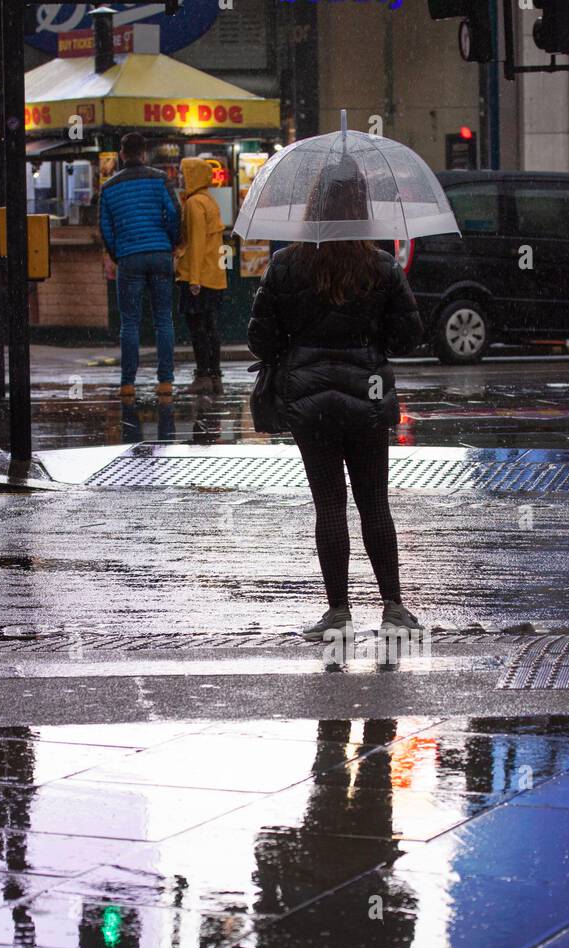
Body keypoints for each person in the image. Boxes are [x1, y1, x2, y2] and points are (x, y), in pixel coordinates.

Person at [247, 159, 424, 641]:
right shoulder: (381, 266)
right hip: (366, 399)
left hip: (309, 402)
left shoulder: (286, 265)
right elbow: (408, 336)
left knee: (329, 505)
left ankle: (338, 611)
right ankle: (392, 605)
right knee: (374, 504)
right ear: (362, 209)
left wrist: (294, 343)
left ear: (313, 209)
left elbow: (260, 340)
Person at [99, 132, 181, 400]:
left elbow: (105, 228)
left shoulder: (109, 187)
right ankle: (165, 381)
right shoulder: (160, 180)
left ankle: (128, 383)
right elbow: (173, 212)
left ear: (122, 154)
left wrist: (117, 252)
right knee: (163, 319)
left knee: (130, 323)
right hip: (159, 254)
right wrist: (168, 241)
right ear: (144, 153)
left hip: (129, 257)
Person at [175, 158, 227, 395]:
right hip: (213, 275)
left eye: (184, 173)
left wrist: (193, 279)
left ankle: (202, 375)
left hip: (198, 276)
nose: (180, 177)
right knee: (211, 327)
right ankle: (215, 375)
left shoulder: (195, 204)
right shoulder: (210, 201)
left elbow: (195, 243)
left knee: (198, 329)